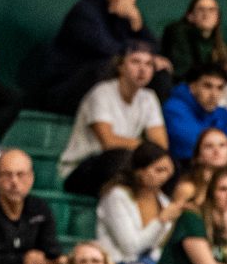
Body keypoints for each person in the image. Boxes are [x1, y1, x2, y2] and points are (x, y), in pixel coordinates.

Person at [63, 41, 169, 198]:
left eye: (148, 64)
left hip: (124, 162)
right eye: (135, 62)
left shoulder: (149, 98)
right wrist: (145, 147)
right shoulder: (101, 93)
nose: (142, 69)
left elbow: (161, 145)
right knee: (120, 158)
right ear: (120, 67)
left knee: (169, 165)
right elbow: (109, 141)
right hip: (82, 169)